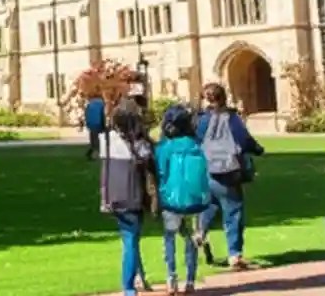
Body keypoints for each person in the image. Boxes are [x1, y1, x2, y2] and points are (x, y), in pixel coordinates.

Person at [194, 83, 264, 271]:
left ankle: (200, 232)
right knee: (233, 211)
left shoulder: (202, 120)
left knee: (211, 203)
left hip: (207, 168)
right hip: (228, 170)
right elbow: (244, 140)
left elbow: (197, 140)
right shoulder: (231, 118)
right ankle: (235, 254)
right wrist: (258, 150)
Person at [100, 97, 156, 296]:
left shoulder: (107, 139)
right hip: (132, 194)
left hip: (112, 194)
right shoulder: (140, 143)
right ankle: (129, 286)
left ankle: (139, 277)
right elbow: (149, 159)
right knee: (131, 240)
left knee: (130, 238)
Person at [156, 105, 209, 295]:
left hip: (171, 200)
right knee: (191, 240)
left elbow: (161, 174)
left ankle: (171, 278)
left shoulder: (165, 148)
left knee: (169, 238)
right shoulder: (197, 145)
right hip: (195, 199)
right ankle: (190, 281)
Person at [85, 95, 106, 161]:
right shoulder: (102, 105)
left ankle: (91, 149)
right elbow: (102, 115)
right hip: (98, 123)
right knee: (97, 139)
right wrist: (103, 126)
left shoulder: (89, 104)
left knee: (93, 137)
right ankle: (94, 154)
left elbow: (86, 114)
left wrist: (87, 123)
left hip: (91, 123)